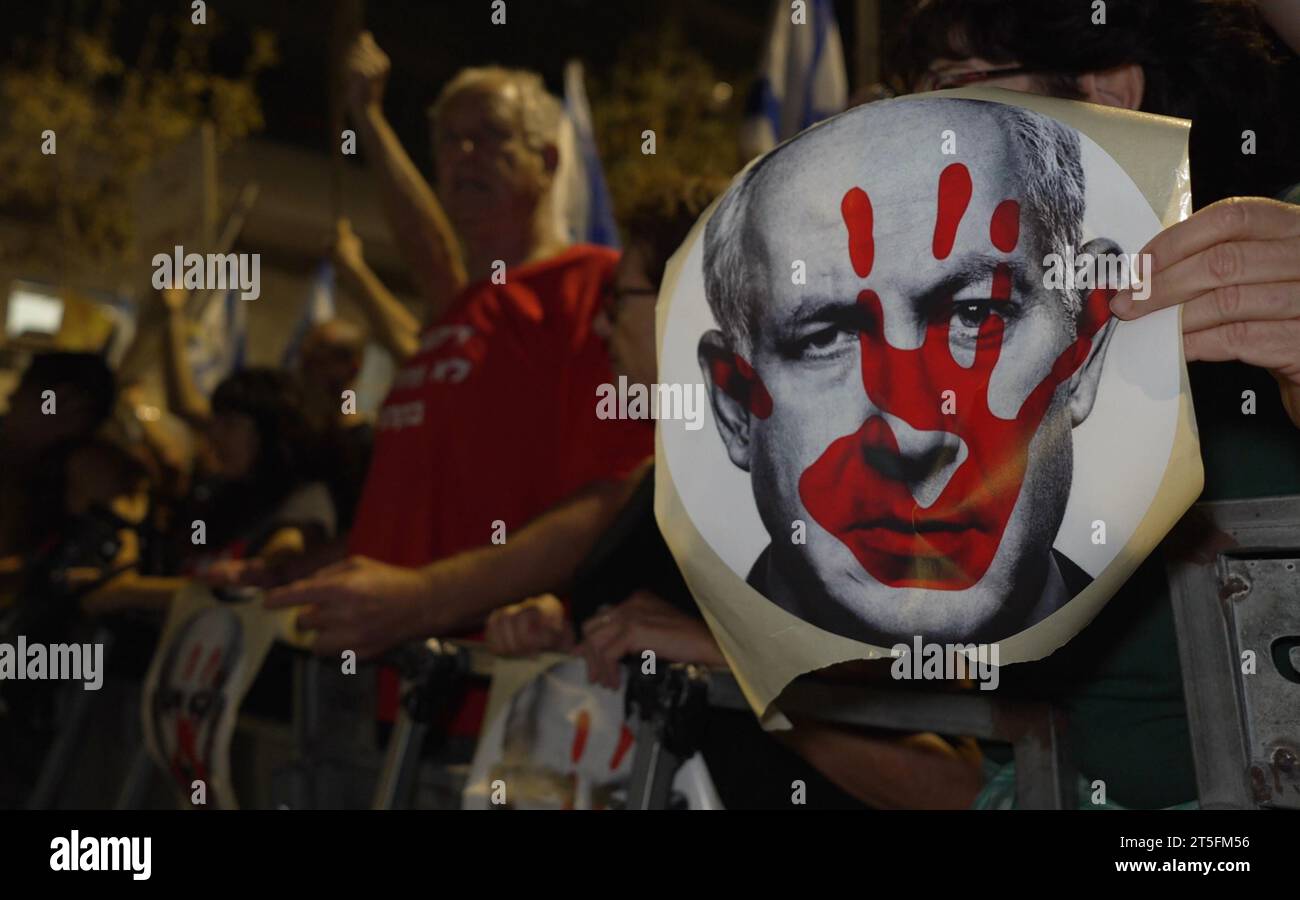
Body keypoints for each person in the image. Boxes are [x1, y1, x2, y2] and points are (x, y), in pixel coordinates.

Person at [872, 0, 1300, 809]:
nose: (922, 129)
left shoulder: (1275, 263)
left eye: (953, 86)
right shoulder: (983, 336)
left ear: (1109, 92)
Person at [698, 99, 1117, 646]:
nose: (911, 436)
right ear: (734, 409)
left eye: (975, 315)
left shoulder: (1183, 639)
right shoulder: (641, 667)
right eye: (825, 338)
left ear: (1082, 345)